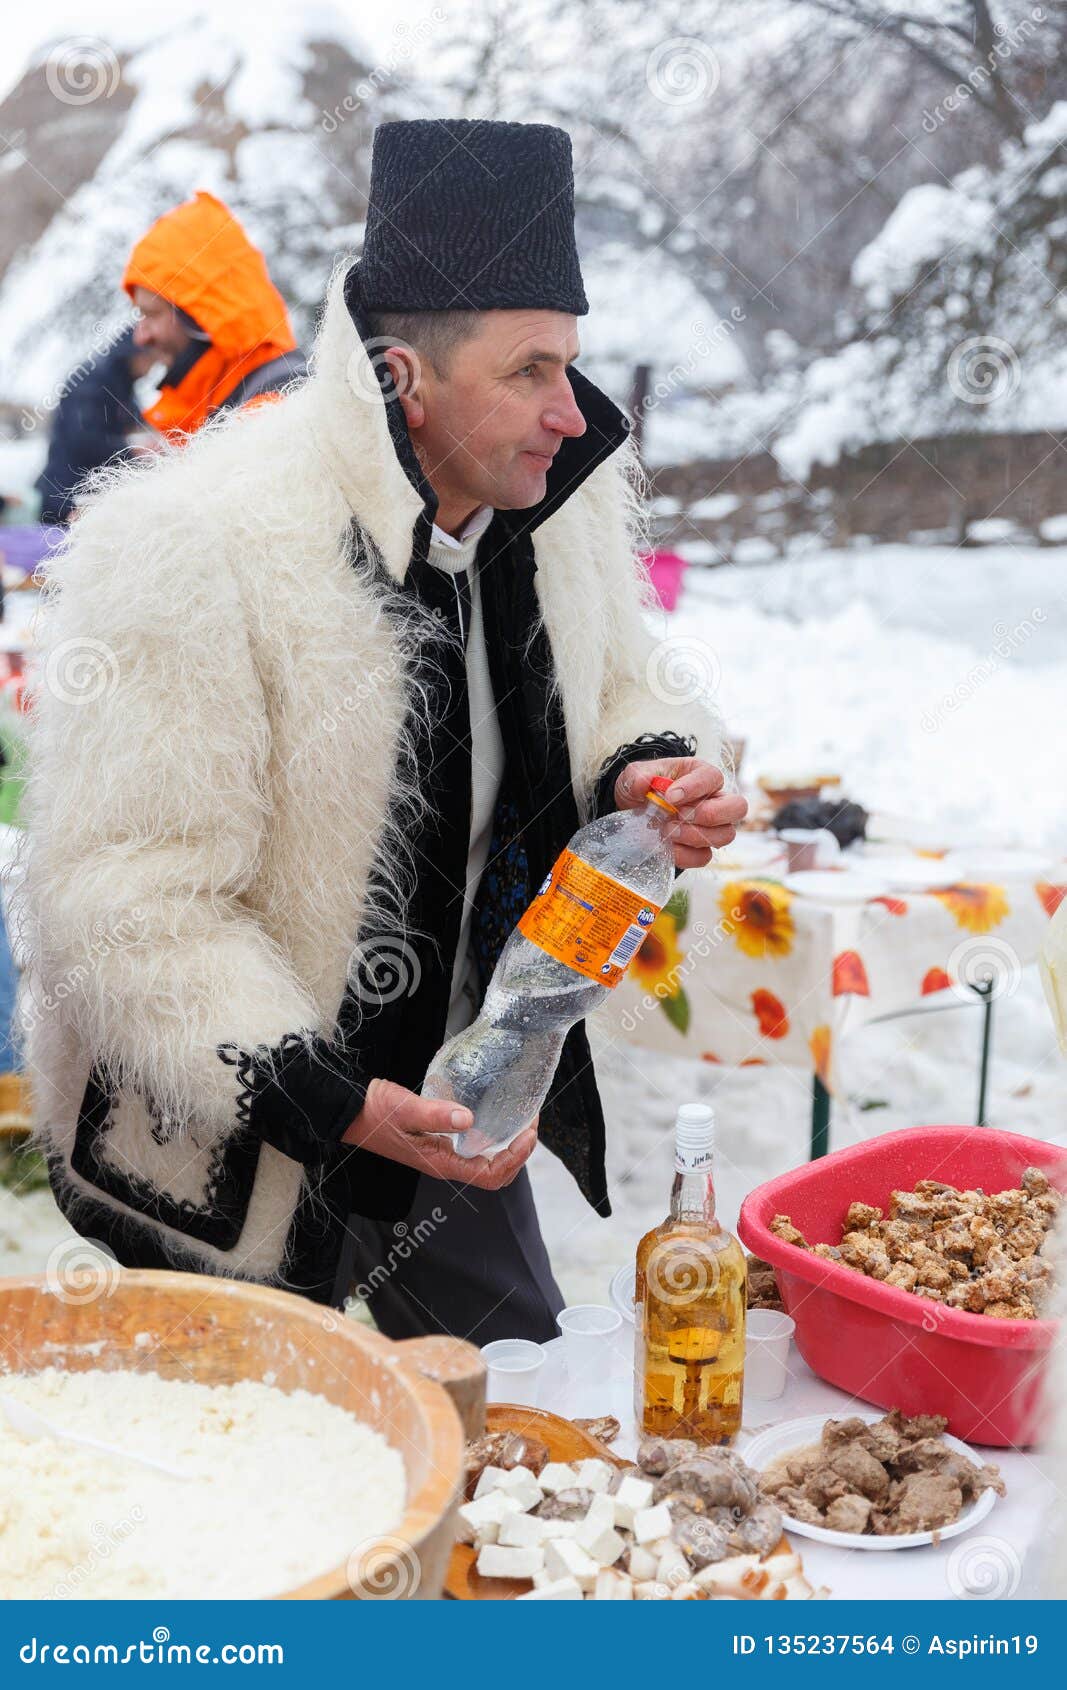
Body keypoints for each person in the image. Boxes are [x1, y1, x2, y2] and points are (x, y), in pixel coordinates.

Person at [23, 119, 746, 1342]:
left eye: (570, 365)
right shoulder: (192, 545)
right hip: (233, 1140)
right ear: (400, 375)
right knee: (239, 1474)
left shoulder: (551, 516)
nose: (571, 413)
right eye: (528, 371)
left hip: (454, 1093)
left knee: (511, 1430)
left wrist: (649, 767)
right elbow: (122, 901)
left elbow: (628, 681)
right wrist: (330, 1098)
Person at [123, 190, 307, 439]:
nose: (140, 337)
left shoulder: (273, 415)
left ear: (200, 314)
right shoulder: (215, 410)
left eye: (152, 314)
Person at [35, 326, 155, 526]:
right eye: (152, 357)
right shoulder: (90, 381)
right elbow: (82, 440)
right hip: (67, 496)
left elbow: (136, 423)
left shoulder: (124, 386)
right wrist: (133, 449)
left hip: (96, 496)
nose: (153, 366)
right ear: (136, 354)